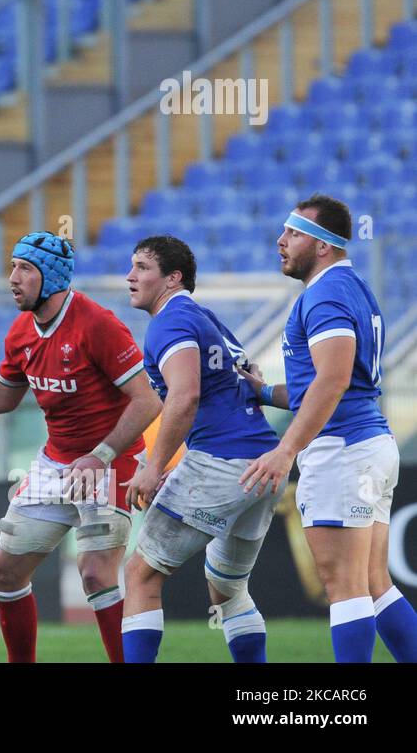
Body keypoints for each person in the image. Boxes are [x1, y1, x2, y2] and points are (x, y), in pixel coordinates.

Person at [0, 232, 160, 663]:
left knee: (97, 574)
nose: (13, 278)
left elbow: (148, 400)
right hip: (56, 462)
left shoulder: (97, 324)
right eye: (12, 266)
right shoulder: (22, 331)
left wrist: (99, 456)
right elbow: (4, 394)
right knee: (4, 572)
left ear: (53, 278)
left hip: (110, 462)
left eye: (25, 269)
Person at [239, 194, 416, 663]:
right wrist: (261, 392)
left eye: (293, 233)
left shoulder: (324, 293)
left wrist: (285, 449)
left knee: (344, 587)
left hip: (342, 449)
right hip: (368, 444)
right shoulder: (351, 286)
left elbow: (334, 379)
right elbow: (323, 384)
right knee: (375, 585)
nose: (281, 241)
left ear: (322, 245)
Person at [120, 235, 282, 663]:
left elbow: (185, 395)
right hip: (263, 464)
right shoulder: (206, 318)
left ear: (172, 278)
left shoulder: (169, 322)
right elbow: (244, 379)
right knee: (228, 588)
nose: (130, 276)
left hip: (223, 460)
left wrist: (154, 467)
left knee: (140, 574)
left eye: (142, 267)